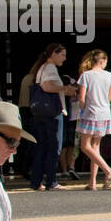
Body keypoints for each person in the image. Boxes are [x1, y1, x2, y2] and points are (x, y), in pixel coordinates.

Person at [27, 43, 76, 192]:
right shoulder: (50, 67)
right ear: (53, 53)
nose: (65, 58)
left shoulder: (41, 68)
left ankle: (36, 181)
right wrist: (64, 88)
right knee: (54, 147)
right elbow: (46, 87)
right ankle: (52, 181)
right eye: (62, 55)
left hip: (40, 113)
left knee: (42, 146)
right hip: (52, 113)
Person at [75, 49, 111, 190]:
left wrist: (83, 109)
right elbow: (109, 97)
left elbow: (81, 99)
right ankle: (92, 182)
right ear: (102, 61)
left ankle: (108, 170)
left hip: (90, 113)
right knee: (95, 148)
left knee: (85, 146)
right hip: (104, 113)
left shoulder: (86, 76)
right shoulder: (110, 76)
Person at [59, 73, 80, 181]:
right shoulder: (67, 85)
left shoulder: (61, 85)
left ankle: (66, 169)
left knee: (65, 145)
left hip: (67, 118)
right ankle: (69, 167)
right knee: (69, 144)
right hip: (71, 118)